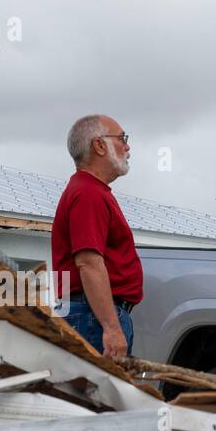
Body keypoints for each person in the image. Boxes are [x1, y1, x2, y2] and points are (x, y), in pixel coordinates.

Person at [52, 114, 143, 357]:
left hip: (90, 314)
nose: (128, 146)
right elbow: (89, 263)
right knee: (97, 395)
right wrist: (112, 327)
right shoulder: (88, 194)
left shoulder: (88, 191)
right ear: (99, 145)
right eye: (122, 138)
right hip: (92, 317)